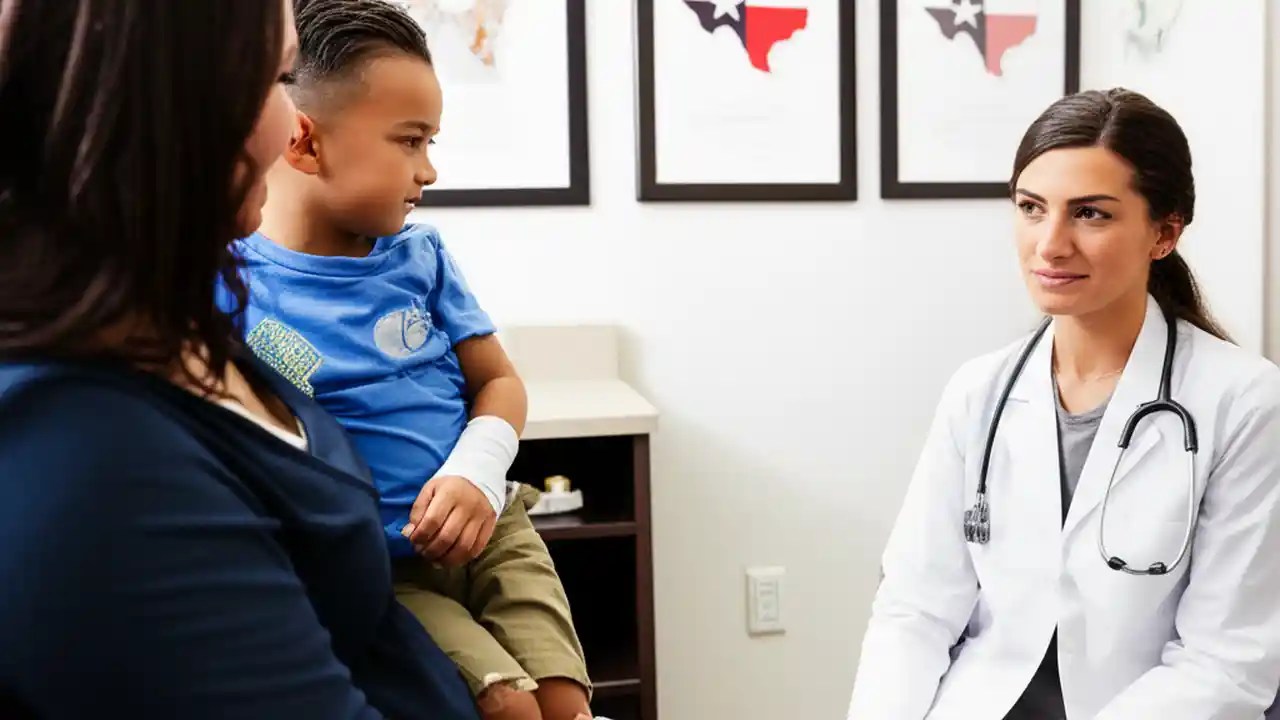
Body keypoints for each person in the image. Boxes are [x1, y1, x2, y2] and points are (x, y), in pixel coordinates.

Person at [0, 1, 479, 718]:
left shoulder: (175, 317)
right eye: (278, 78)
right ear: (174, 102)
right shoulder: (96, 467)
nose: (295, 126)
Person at [846, 88, 1280, 719]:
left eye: (1091, 214)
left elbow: (1225, 665)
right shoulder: (980, 392)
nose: (1050, 244)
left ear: (1164, 233)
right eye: (1031, 207)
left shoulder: (1244, 402)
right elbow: (915, 610)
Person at [228, 2, 595, 719]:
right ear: (305, 143)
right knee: (511, 707)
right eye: (410, 141)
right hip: (389, 570)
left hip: (493, 529)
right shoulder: (230, 287)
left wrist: (475, 475)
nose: (429, 169)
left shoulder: (419, 258)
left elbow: (499, 381)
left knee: (563, 701)